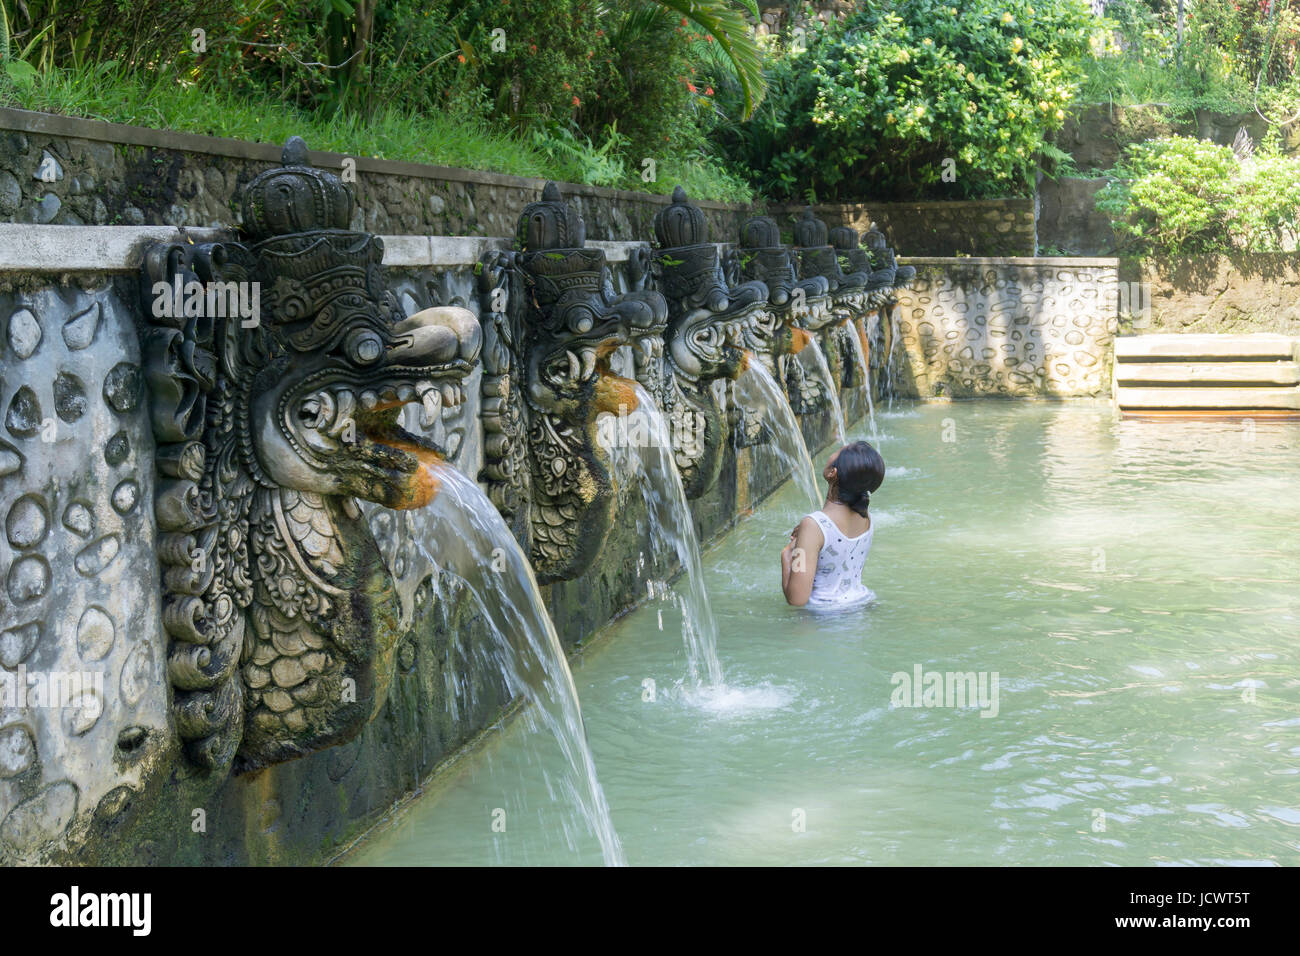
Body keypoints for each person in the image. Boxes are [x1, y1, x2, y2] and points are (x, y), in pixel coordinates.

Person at [781, 440, 884, 610]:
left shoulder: (813, 525)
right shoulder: (866, 518)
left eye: (838, 451)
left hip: (826, 617)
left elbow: (797, 599)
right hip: (861, 604)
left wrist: (786, 555)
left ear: (832, 473)